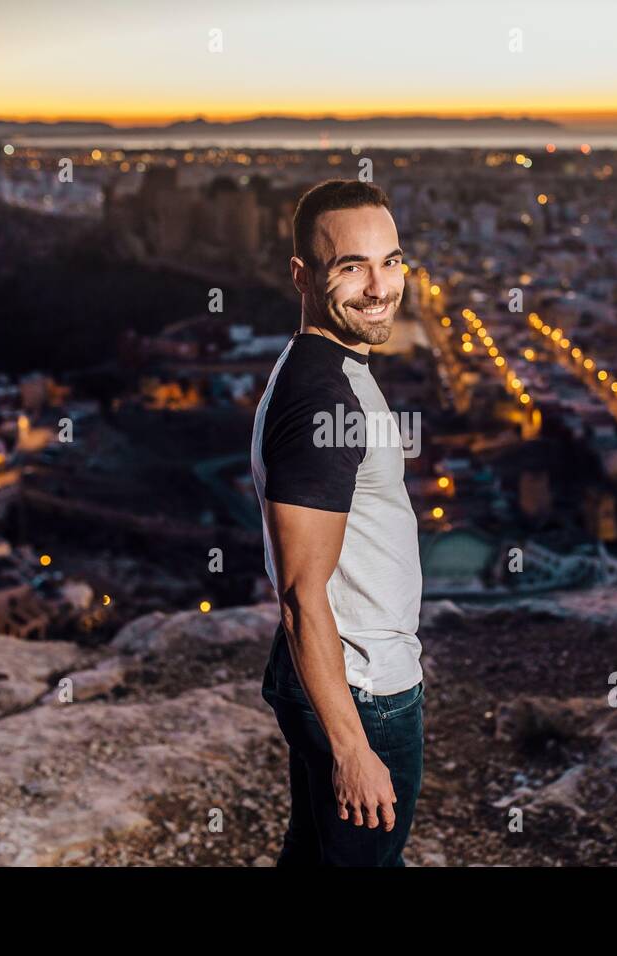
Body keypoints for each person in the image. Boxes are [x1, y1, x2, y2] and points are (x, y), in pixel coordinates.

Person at [250, 178, 425, 866]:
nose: (380, 286)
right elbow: (300, 596)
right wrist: (353, 749)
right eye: (351, 266)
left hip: (345, 673)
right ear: (302, 274)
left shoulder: (328, 365)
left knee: (317, 856)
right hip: (361, 688)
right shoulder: (323, 399)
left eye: (392, 260)